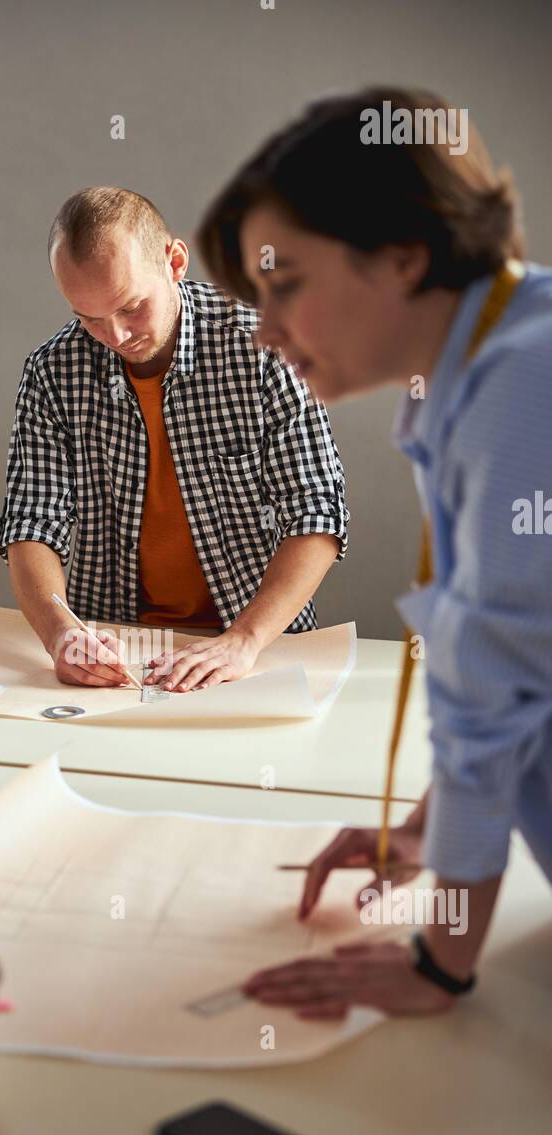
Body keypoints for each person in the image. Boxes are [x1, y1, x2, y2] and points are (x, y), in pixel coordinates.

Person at [197, 86, 552, 1017]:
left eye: (285, 286)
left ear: (402, 256)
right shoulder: (474, 375)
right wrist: (423, 835)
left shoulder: (526, 385)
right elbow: (520, 673)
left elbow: (495, 700)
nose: (265, 333)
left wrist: (438, 964)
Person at [0, 186, 348, 692]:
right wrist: (60, 637)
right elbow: (30, 524)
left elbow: (316, 512)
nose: (115, 336)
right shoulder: (52, 372)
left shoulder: (267, 348)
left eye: (131, 307)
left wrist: (244, 640)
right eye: (89, 319)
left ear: (175, 262)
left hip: (256, 646)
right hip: (118, 649)